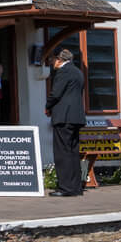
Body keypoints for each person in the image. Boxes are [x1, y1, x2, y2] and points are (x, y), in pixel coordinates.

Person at [45, 47, 86, 195]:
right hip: (76, 117)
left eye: (52, 60)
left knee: (62, 153)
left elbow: (56, 94)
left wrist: (47, 106)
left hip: (64, 117)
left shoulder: (63, 72)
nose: (51, 63)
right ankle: (76, 187)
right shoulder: (78, 72)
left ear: (59, 59)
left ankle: (66, 188)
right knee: (73, 152)